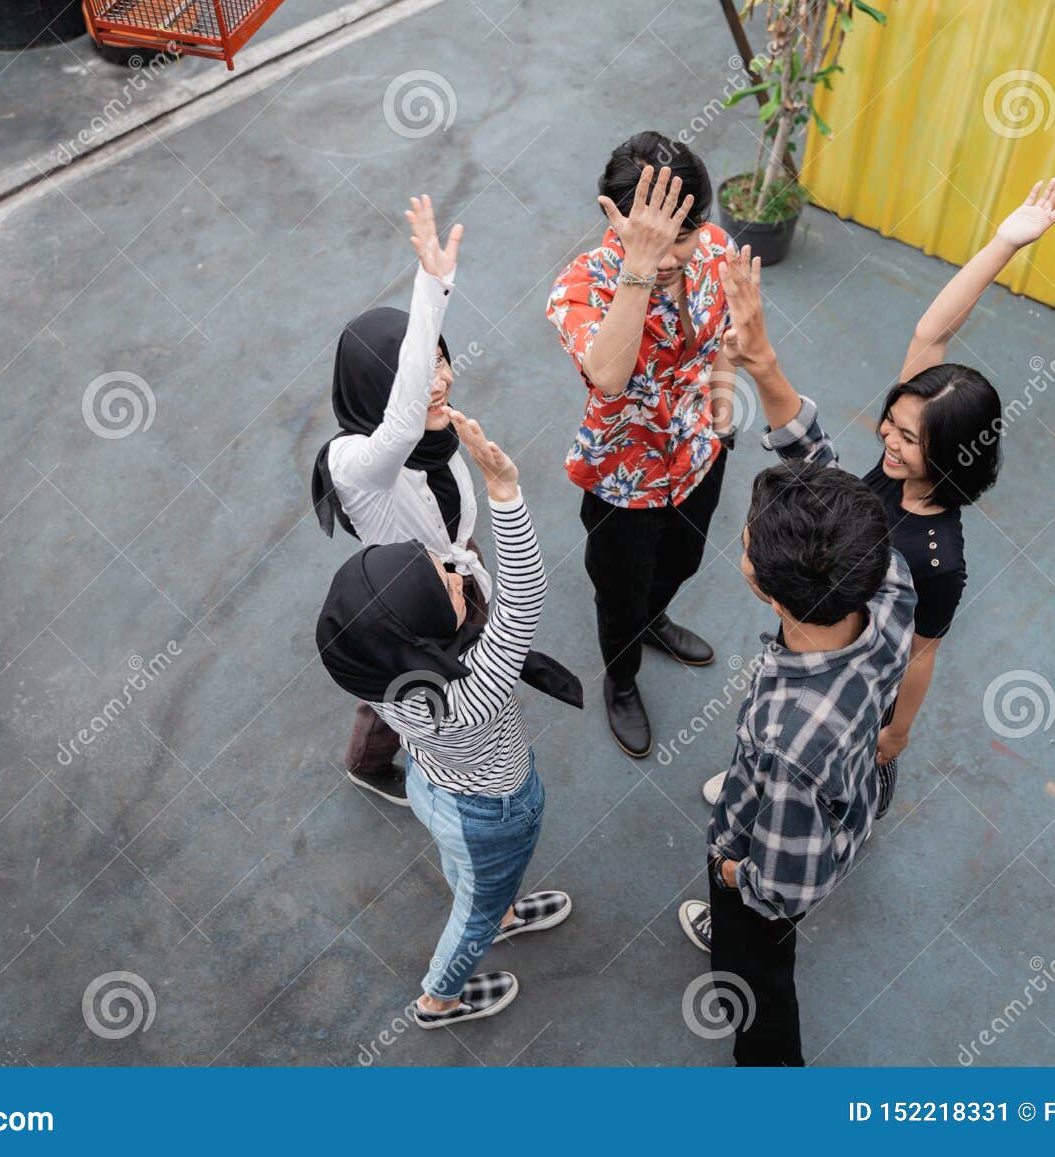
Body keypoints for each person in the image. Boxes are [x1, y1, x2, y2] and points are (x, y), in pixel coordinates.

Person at [701, 177, 1055, 816]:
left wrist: (897, 732)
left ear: (953, 453)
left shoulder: (938, 559)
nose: (887, 441)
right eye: (891, 423)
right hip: (817, 618)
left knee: (820, 751)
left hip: (854, 667)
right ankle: (756, 769)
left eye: (907, 439)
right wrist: (1003, 245)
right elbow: (931, 334)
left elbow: (920, 655)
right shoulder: (896, 471)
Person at [317, 406, 581, 1027]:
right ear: (425, 631)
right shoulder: (476, 687)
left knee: (467, 870)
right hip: (493, 809)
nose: (457, 567)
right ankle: (440, 996)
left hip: (433, 786)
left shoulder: (381, 669)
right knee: (474, 913)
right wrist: (505, 489)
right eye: (447, 582)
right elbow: (524, 596)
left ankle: (498, 904)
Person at [675, 440, 916, 1065]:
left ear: (771, 593)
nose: (745, 543)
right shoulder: (890, 584)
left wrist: (731, 875)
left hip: (760, 866)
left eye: (747, 543)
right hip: (852, 792)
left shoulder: (789, 737)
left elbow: (783, 886)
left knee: (755, 977)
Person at [546, 132, 738, 759]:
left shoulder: (714, 249)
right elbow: (608, 375)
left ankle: (654, 620)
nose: (672, 257)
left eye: (683, 238)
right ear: (615, 219)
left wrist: (723, 410)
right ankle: (622, 677)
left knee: (683, 562)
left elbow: (727, 335)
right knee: (619, 593)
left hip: (699, 453)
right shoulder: (582, 285)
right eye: (653, 239)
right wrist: (640, 267)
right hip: (623, 479)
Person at [310, 195, 483, 806]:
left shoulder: (438, 432)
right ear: (378, 390)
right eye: (417, 370)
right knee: (398, 692)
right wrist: (432, 288)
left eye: (441, 359)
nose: (439, 380)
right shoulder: (356, 463)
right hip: (407, 601)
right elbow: (402, 424)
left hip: (452, 563)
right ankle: (369, 764)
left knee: (455, 671)